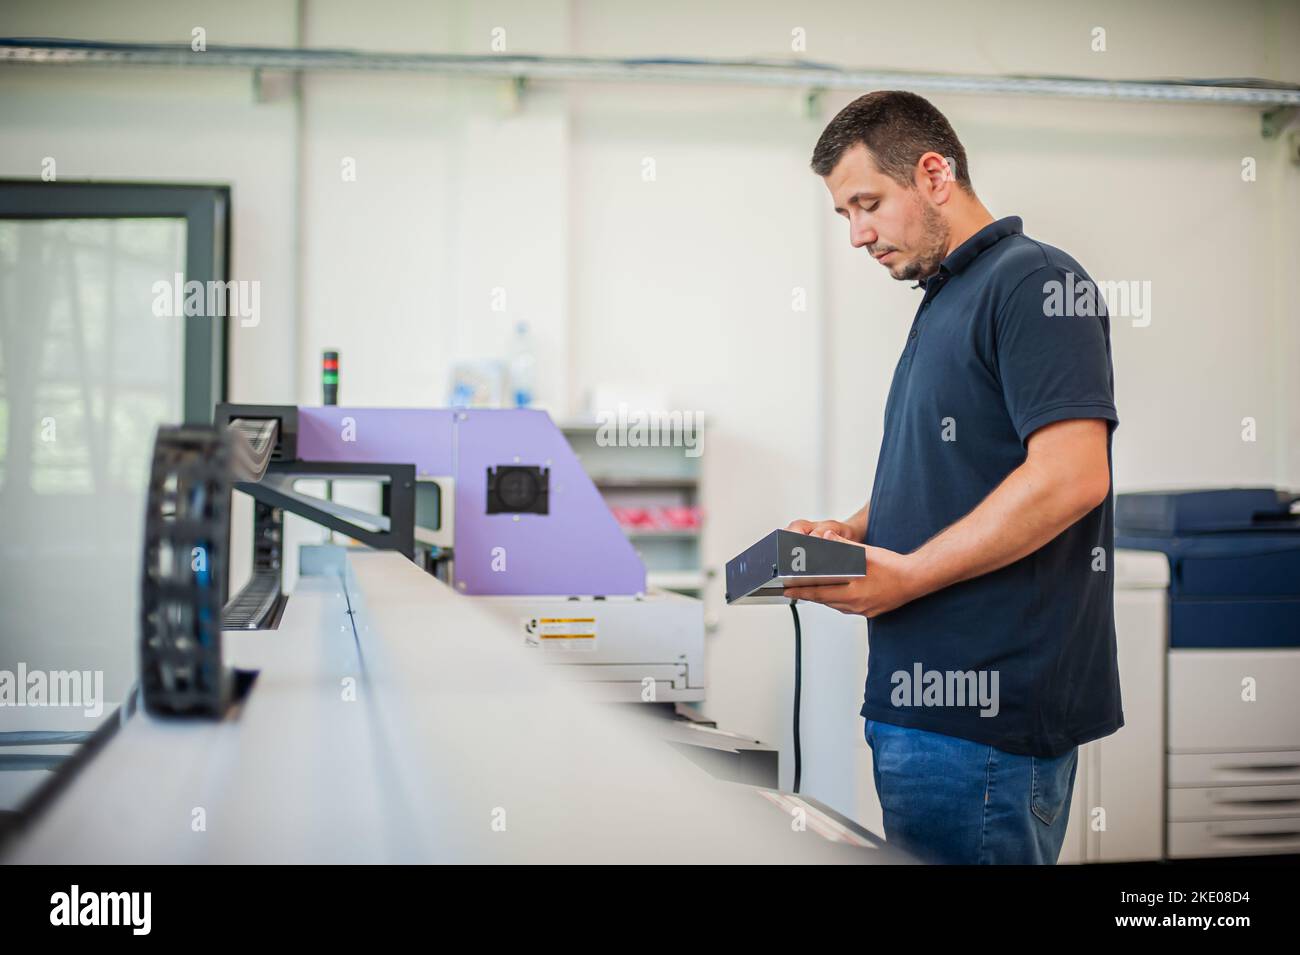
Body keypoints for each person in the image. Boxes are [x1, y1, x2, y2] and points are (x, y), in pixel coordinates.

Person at [785, 90, 1121, 864]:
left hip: (985, 719)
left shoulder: (1035, 282)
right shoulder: (946, 297)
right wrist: (852, 530)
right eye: (844, 214)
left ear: (934, 174)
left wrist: (906, 576)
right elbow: (948, 471)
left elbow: (1072, 477)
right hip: (922, 709)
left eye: (868, 204)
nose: (857, 233)